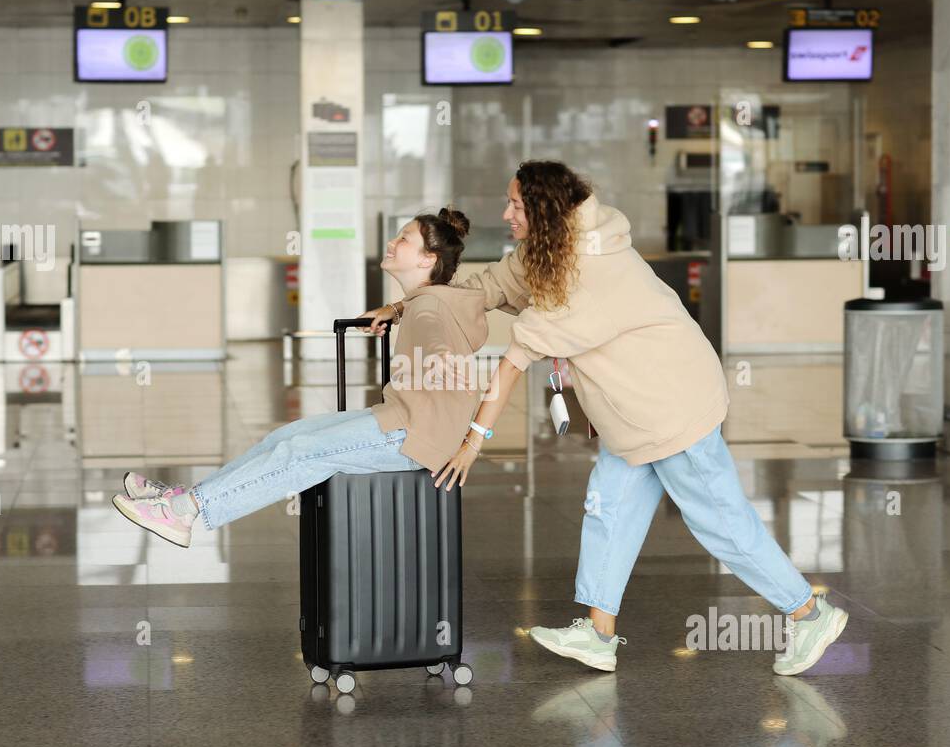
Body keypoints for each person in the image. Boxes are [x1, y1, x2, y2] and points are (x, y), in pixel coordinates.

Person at [365, 162, 847, 676]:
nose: (506, 213)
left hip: (671, 406)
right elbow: (487, 288)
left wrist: (472, 443)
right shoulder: (546, 251)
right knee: (609, 512)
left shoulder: (588, 274)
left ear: (545, 212)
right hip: (629, 416)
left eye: (517, 206)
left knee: (721, 522)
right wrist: (404, 306)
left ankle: (808, 612)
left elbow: (511, 364)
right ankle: (598, 634)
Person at [114, 208, 488, 547]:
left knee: (301, 453)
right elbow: (428, 312)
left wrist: (461, 412)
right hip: (405, 417)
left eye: (403, 239)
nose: (392, 243)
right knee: (285, 437)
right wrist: (397, 310)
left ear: (428, 258)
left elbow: (442, 346)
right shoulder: (432, 300)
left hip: (414, 438)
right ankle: (185, 498)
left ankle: (182, 512)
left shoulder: (429, 311)